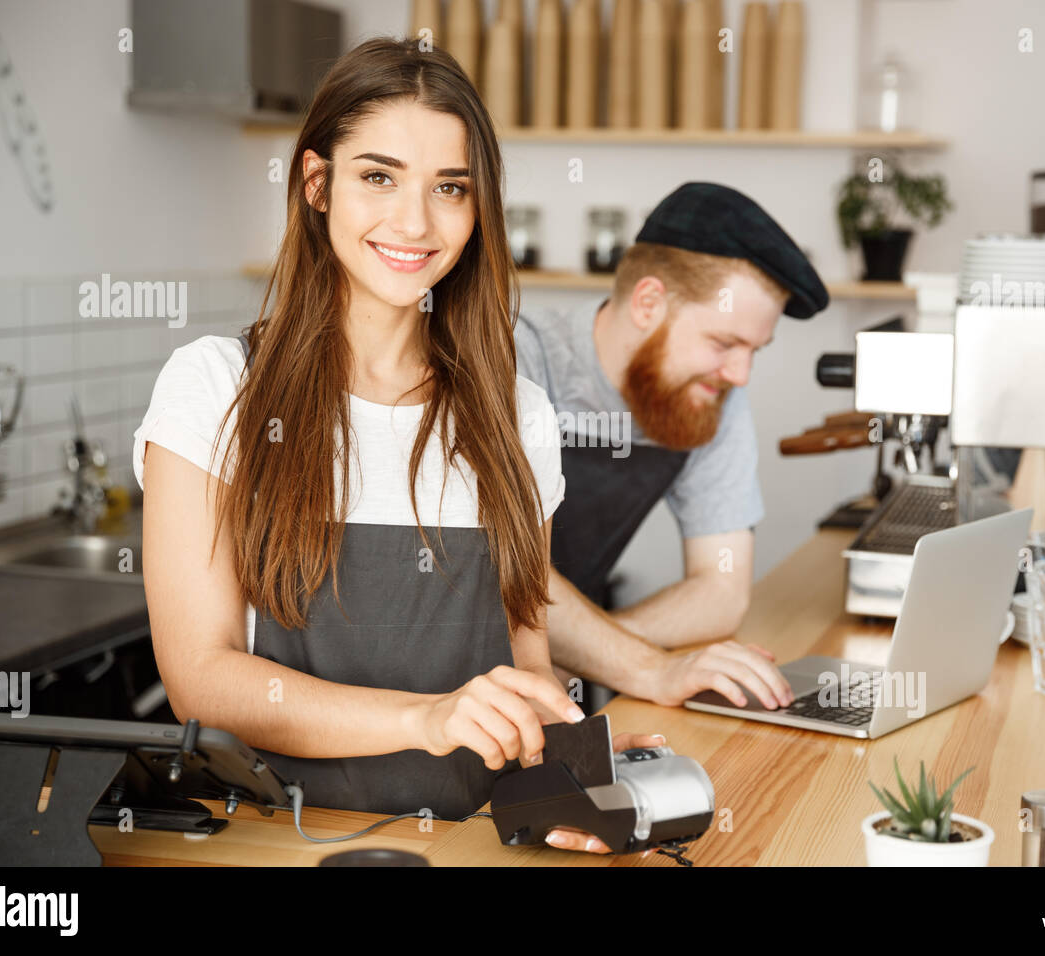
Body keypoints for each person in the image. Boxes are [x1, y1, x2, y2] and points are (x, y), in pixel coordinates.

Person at [134, 37, 660, 832]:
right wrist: (424, 719)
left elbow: (528, 668)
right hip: (274, 844)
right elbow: (201, 679)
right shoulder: (213, 387)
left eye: (450, 188)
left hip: (471, 846)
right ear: (318, 184)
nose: (415, 221)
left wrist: (573, 774)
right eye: (378, 176)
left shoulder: (518, 417)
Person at [515, 182, 831, 718]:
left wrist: (590, 650)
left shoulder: (710, 397)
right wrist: (645, 665)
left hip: (550, 682)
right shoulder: (514, 361)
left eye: (754, 350)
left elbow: (722, 590)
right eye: (724, 343)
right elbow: (509, 575)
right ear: (648, 303)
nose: (740, 373)